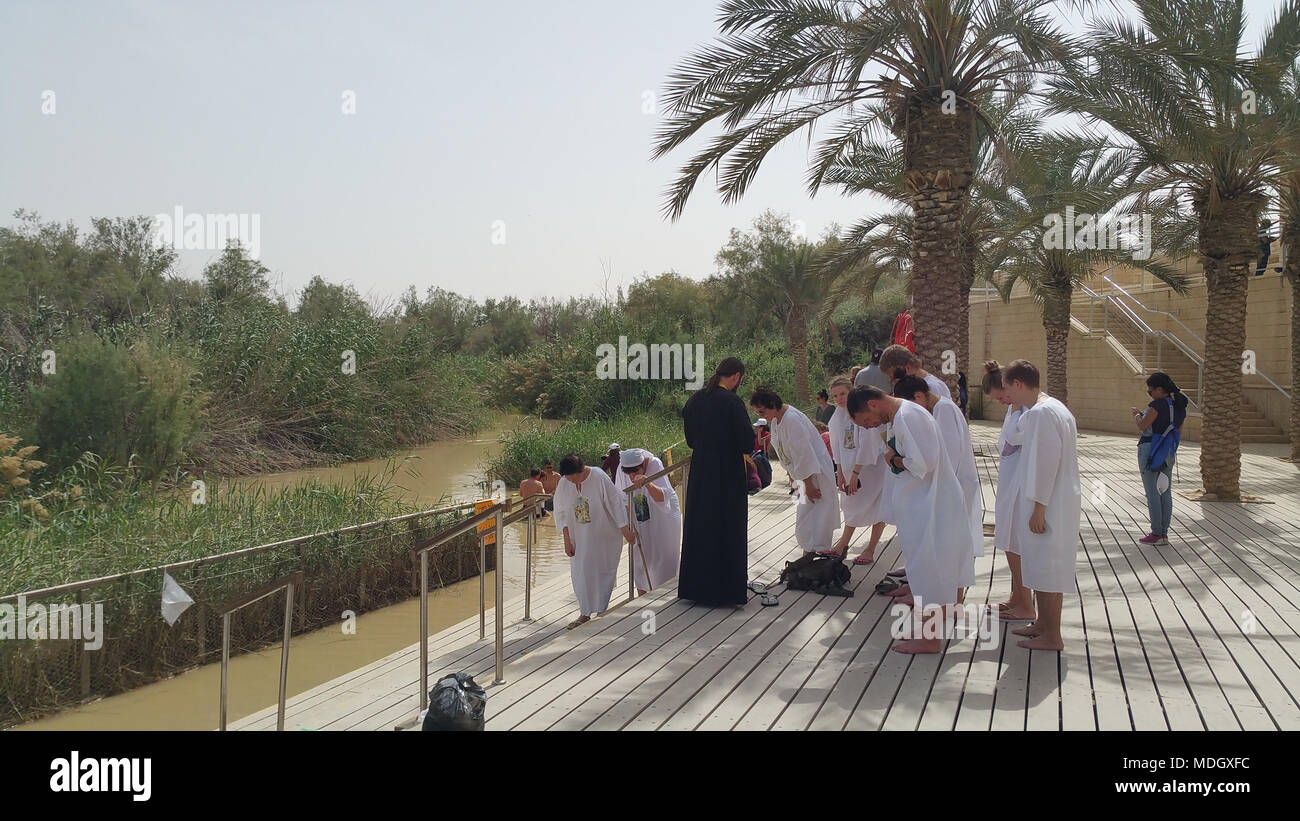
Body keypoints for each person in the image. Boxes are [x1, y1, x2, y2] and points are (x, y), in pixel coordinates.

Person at [848, 386, 974, 654]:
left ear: (872, 404)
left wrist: (893, 458)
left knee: (928, 567)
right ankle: (930, 628)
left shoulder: (908, 416)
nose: (870, 427)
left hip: (929, 505)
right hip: (922, 504)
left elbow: (923, 463)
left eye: (866, 421)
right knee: (928, 566)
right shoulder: (903, 415)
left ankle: (929, 639)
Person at [1002, 360, 1081, 652]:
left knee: (1047, 568)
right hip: (1059, 497)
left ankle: (1052, 634)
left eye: (1008, 387)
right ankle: (1044, 625)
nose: (1007, 395)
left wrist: (1039, 507)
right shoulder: (1055, 407)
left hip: (1050, 501)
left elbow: (1045, 462)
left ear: (1018, 384)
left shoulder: (1040, 413)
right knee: (1043, 565)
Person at [893, 375, 983, 594]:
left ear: (919, 396)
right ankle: (924, 590)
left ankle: (949, 600)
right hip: (947, 486)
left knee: (951, 546)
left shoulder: (944, 410)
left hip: (953, 485)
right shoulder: (938, 409)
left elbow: (948, 455)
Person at [679, 357, 754, 607]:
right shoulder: (732, 402)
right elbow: (746, 441)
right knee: (727, 527)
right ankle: (726, 592)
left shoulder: (695, 400)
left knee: (700, 526)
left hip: (701, 472)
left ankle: (695, 588)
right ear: (736, 377)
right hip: (728, 474)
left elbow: (690, 439)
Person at [552, 453, 639, 628]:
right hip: (579, 537)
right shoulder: (563, 483)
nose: (573, 483)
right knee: (580, 573)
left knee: (603, 571)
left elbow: (615, 503)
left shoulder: (598, 476)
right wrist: (566, 540)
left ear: (582, 470)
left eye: (575, 479)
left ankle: (601, 611)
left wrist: (624, 530)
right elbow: (560, 512)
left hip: (603, 534)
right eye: (569, 480)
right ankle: (584, 612)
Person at [752, 386, 841, 555]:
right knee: (805, 517)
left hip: (814, 475)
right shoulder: (777, 420)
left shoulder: (791, 420)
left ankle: (816, 554)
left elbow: (804, 454)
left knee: (815, 515)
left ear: (772, 404)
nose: (762, 417)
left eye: (762, 412)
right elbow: (785, 452)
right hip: (801, 476)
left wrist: (807, 484)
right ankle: (808, 555)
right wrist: (792, 476)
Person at [982, 361, 1033, 621]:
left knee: (1015, 543)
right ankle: (1017, 597)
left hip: (1021, 484)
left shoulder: (1027, 410)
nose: (1002, 402)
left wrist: (1013, 406)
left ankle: (1026, 603)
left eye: (1001, 396)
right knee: (1009, 541)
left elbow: (1016, 437)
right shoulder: (1015, 409)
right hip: (1009, 480)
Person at [827, 376, 887, 564]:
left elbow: (869, 443)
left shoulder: (860, 410)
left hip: (870, 468)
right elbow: (836, 445)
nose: (839, 399)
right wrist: (840, 472)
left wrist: (856, 473)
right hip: (848, 468)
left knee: (877, 506)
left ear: (850, 391)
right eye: (835, 396)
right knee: (850, 504)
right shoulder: (837, 416)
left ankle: (870, 549)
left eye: (843, 394)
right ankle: (842, 544)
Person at [615, 448, 681, 594]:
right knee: (640, 557)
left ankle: (667, 594)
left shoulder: (655, 464)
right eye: (628, 473)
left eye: (635, 472)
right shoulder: (622, 468)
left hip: (664, 516)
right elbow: (620, 500)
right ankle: (642, 598)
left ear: (643, 464)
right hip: (640, 514)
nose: (631, 477)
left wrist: (647, 483)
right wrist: (626, 527)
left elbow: (662, 498)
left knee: (664, 556)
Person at [1132, 372, 1187, 546]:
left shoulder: (1156, 405)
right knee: (1165, 490)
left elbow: (1143, 426)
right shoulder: (1179, 407)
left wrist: (1137, 416)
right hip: (1168, 451)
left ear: (1160, 389)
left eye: (1150, 389)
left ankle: (1156, 532)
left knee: (1152, 492)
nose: (1149, 392)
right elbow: (1178, 430)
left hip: (1150, 449)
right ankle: (1164, 532)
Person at [879, 344, 952, 401]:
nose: (894, 382)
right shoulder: (917, 388)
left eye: (894, 377)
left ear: (907, 368)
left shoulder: (932, 387)